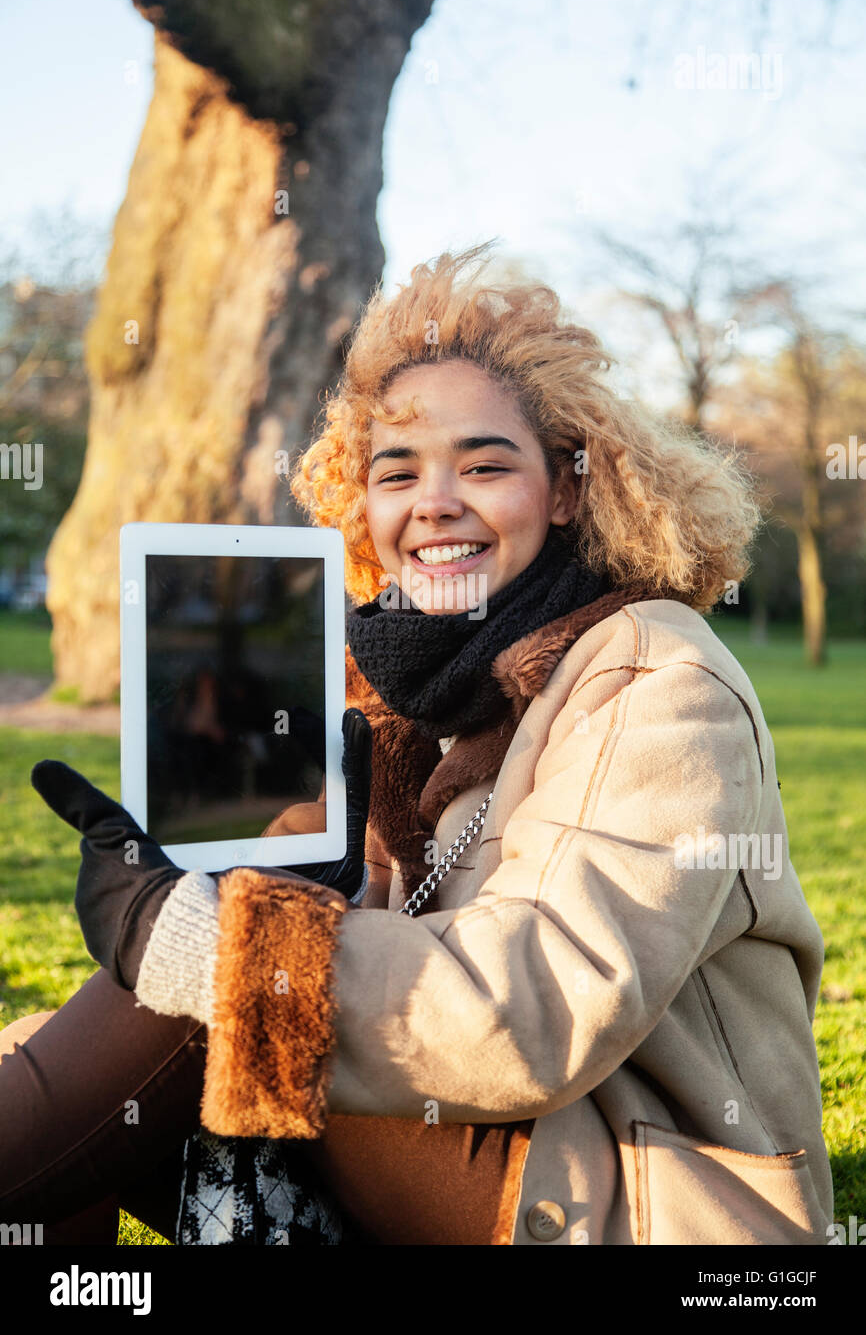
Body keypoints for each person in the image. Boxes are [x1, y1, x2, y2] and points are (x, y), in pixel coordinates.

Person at [0, 242, 833, 1245]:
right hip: (481, 1139)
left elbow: (533, 1007)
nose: (432, 502)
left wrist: (193, 940)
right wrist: (270, 861)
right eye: (396, 472)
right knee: (81, 1054)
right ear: (367, 504)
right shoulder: (408, 691)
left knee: (193, 990)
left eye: (483, 464)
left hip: (646, 1204)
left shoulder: (656, 676)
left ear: (567, 488)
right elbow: (368, 932)